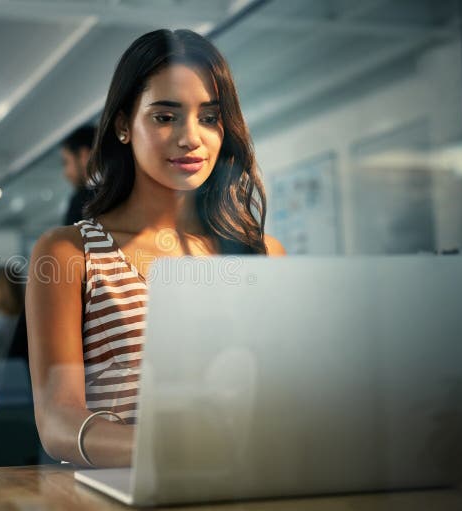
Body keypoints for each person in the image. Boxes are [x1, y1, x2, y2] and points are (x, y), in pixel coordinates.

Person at [25, 29, 286, 468]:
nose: (191, 138)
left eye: (209, 117)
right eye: (165, 117)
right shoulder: (69, 253)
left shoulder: (261, 254)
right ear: (124, 125)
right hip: (132, 487)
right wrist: (165, 449)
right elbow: (57, 421)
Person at [62, 125, 97, 225]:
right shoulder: (124, 185)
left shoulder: (80, 203)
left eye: (66, 162)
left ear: (83, 155)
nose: (66, 173)